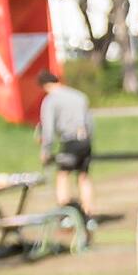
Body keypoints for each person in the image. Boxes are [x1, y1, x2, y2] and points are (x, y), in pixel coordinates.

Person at [38, 73, 94, 217]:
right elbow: (89, 121)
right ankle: (88, 211)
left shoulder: (51, 100)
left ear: (45, 85)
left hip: (70, 141)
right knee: (83, 176)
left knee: (63, 175)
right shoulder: (79, 96)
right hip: (85, 140)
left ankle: (65, 213)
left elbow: (47, 128)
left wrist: (46, 150)